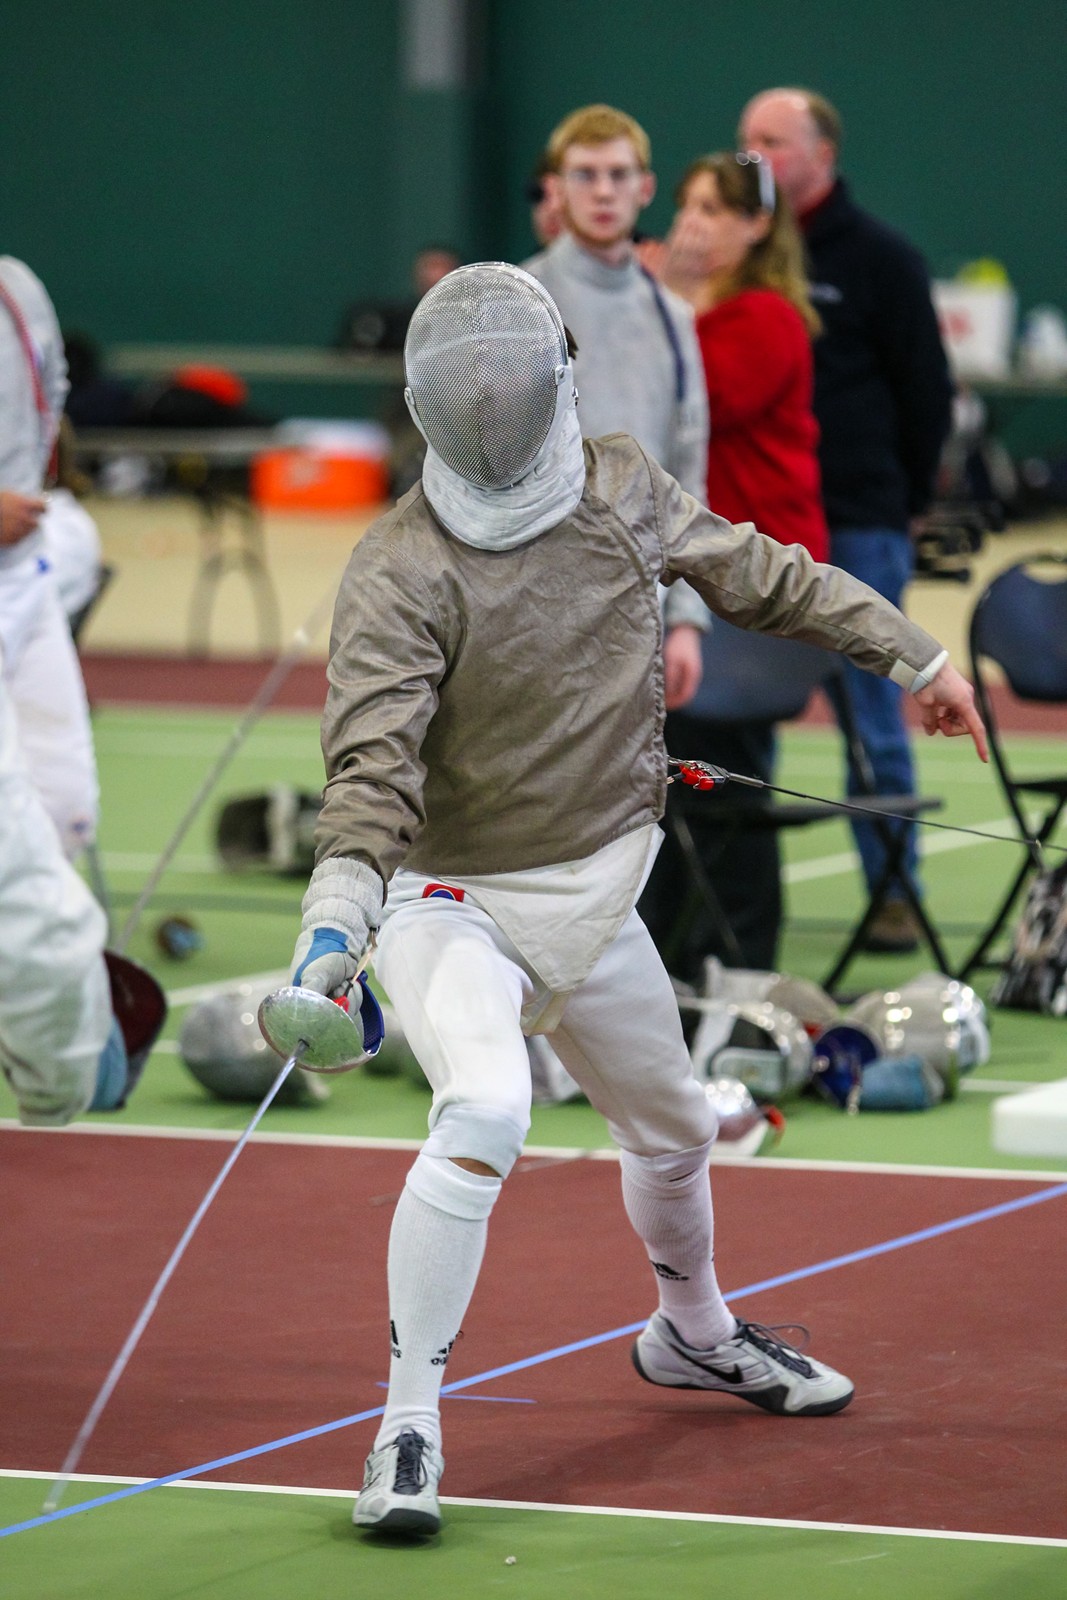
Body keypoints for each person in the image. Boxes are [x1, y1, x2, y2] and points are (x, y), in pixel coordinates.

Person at [287, 262, 986, 1538]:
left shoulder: (618, 485)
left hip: (598, 895)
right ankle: (404, 1424)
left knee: (672, 1126)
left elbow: (765, 576)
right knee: (486, 1106)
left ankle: (692, 1331)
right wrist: (334, 928)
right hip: (454, 903)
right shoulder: (397, 568)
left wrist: (915, 652)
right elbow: (369, 775)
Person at [738, 88, 954, 952]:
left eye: (772, 141)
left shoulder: (881, 260)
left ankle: (894, 893)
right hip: (754, 531)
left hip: (857, 518)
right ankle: (735, 895)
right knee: (741, 721)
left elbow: (924, 390)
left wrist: (899, 503)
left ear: (822, 154)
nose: (752, 155)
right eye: (744, 140)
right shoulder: (740, 260)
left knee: (873, 718)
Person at [638, 149, 829, 974]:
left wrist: (662, 303)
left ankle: (738, 957)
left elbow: (684, 400)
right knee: (657, 768)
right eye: (685, 205)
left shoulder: (764, 320)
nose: (691, 225)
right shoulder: (673, 315)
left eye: (714, 209)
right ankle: (666, 959)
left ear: (756, 226)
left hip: (757, 594)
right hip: (685, 589)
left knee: (715, 766)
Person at [524, 103, 711, 709]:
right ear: (555, 189)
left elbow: (689, 478)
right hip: (529, 606)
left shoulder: (674, 319)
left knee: (630, 795)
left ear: (646, 188)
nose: (603, 191)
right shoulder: (513, 303)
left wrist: (685, 620)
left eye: (618, 174)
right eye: (585, 174)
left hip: (643, 604)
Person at [0, 253, 98, 860]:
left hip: (24, 581)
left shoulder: (17, 285)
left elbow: (50, 388)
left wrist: (36, 474)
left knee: (66, 808)